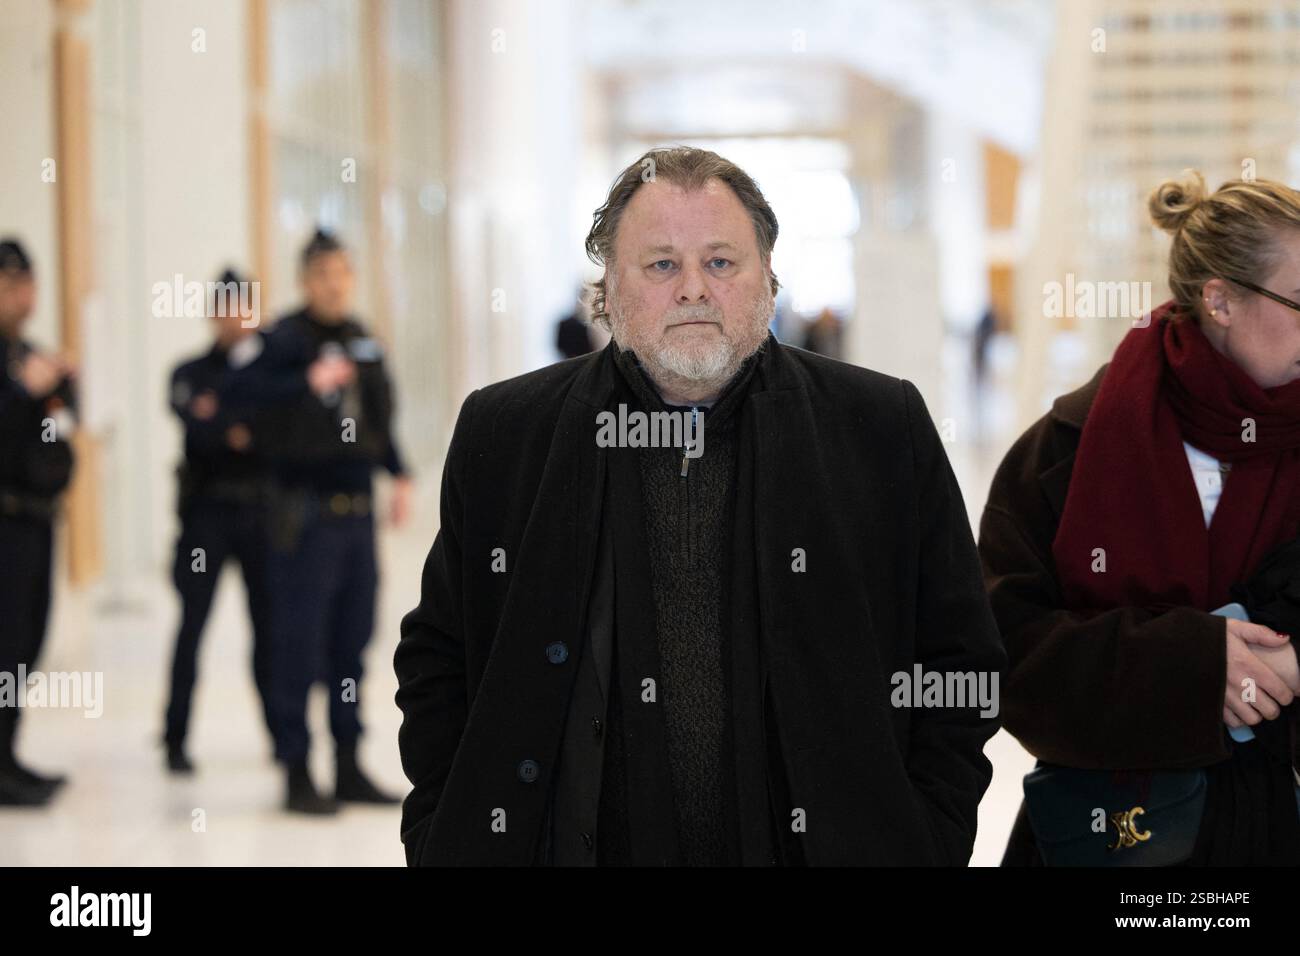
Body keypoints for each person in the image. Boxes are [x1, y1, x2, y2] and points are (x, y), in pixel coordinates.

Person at [395, 146, 1006, 866]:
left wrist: (925, 832)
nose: (693, 289)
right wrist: (442, 828)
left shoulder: (878, 428)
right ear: (610, 290)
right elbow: (438, 660)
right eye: (660, 265)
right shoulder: (505, 436)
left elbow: (960, 659)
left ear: (768, 281)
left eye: (721, 262)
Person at [979, 170, 1300, 866]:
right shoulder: (1066, 448)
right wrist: (1191, 668)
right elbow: (1001, 653)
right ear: (1220, 300)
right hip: (1116, 840)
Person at [225, 229, 410, 814]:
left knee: (351, 649)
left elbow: (382, 413)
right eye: (323, 274)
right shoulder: (284, 339)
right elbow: (242, 396)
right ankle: (298, 770)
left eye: (343, 273)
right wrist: (305, 383)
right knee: (296, 648)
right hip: (302, 519)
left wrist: (399, 474)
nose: (334, 284)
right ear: (306, 280)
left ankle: (349, 763)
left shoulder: (362, 341)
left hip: (356, 520)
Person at [162, 269, 274, 773]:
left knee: (270, 631)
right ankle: (174, 736)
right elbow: (201, 428)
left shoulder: (270, 369)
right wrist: (231, 425)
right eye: (226, 307)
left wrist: (224, 419)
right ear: (213, 313)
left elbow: (271, 428)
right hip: (206, 516)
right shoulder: (189, 371)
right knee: (192, 627)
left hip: (258, 515)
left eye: (243, 307)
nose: (235, 318)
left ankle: (283, 735)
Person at [0, 239, 77, 806]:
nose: (22, 296)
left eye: (28, 284)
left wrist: (60, 387)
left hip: (37, 523)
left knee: (27, 643)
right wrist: (21, 393)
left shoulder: (30, 354)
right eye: (10, 286)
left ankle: (7, 755)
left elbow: (57, 437)